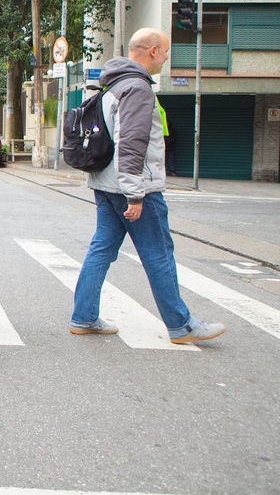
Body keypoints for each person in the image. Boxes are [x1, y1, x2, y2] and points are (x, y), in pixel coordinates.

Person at [70, 27, 225, 344]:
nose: (167, 58)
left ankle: (83, 317)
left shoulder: (113, 86)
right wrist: (135, 194)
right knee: (158, 254)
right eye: (166, 52)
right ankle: (182, 325)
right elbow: (132, 143)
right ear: (153, 51)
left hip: (106, 184)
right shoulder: (137, 89)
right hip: (134, 189)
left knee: (102, 249)